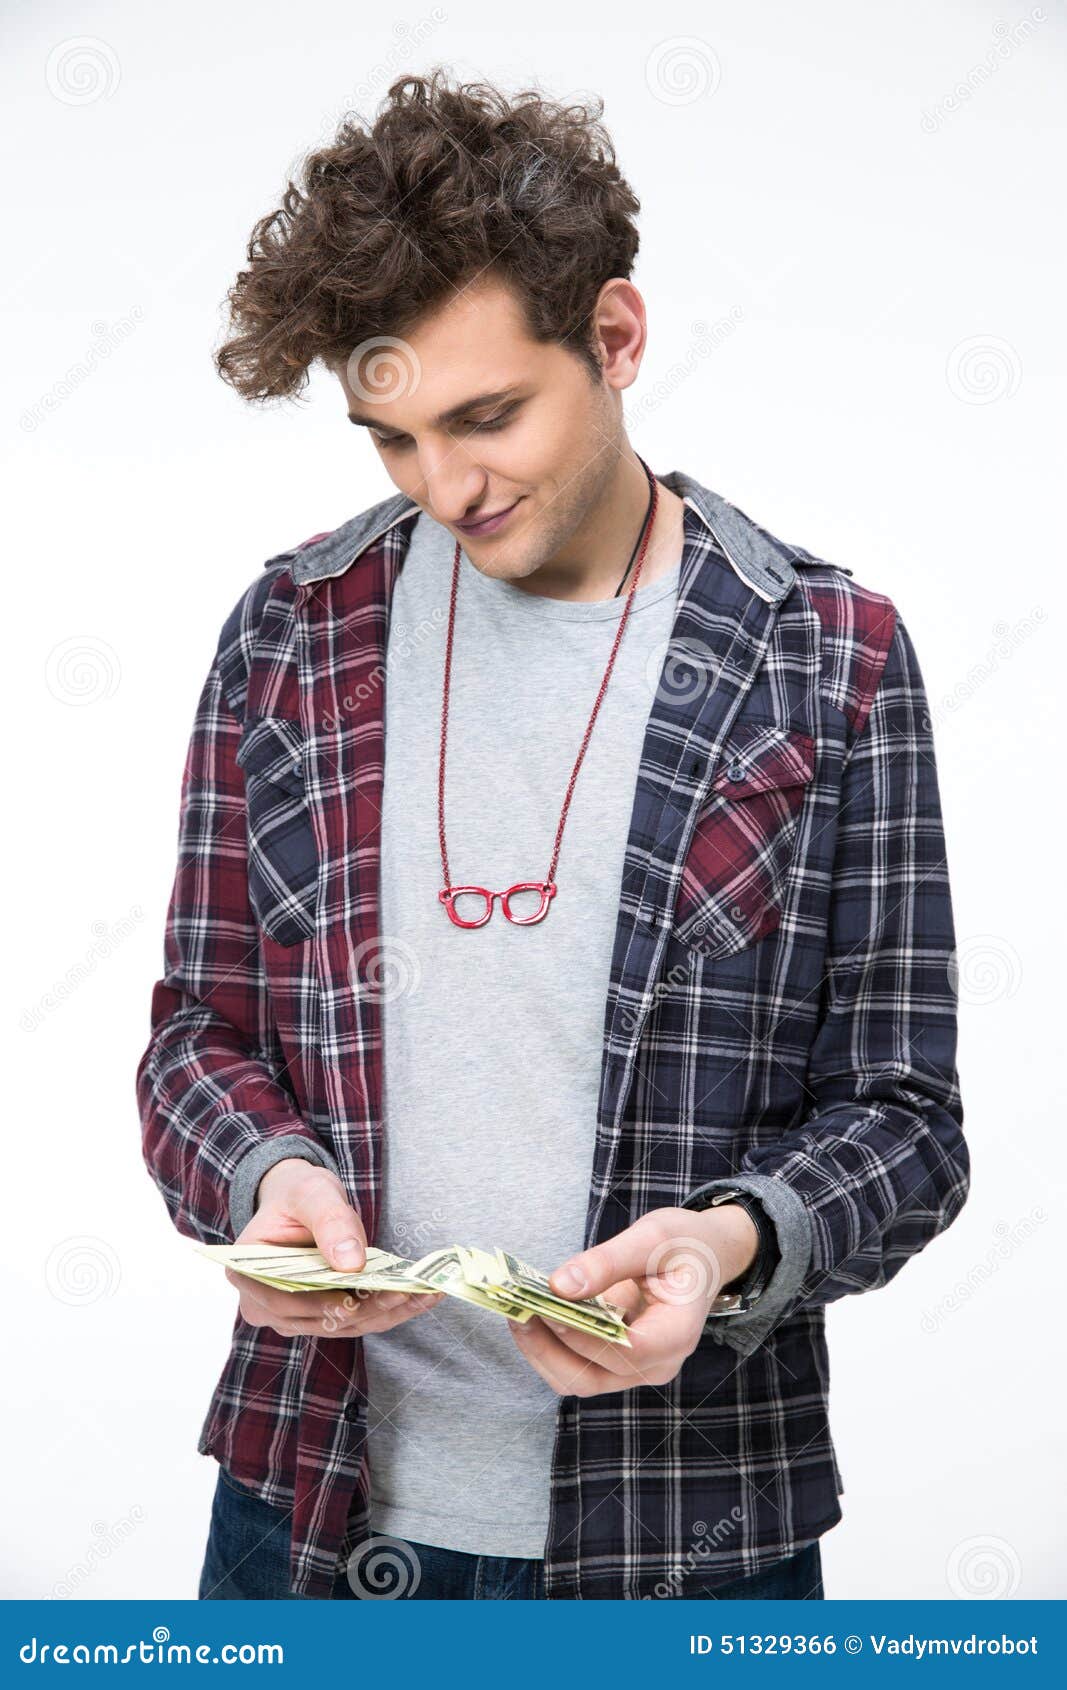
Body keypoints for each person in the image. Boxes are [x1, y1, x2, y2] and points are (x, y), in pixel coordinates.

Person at [137, 68, 968, 1602]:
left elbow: (907, 1118)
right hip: (307, 1514)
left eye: (487, 417)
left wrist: (728, 1242)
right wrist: (263, 1176)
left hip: (690, 1533)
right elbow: (198, 1033)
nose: (444, 487)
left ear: (616, 336)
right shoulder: (290, 632)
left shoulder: (825, 656)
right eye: (392, 438)